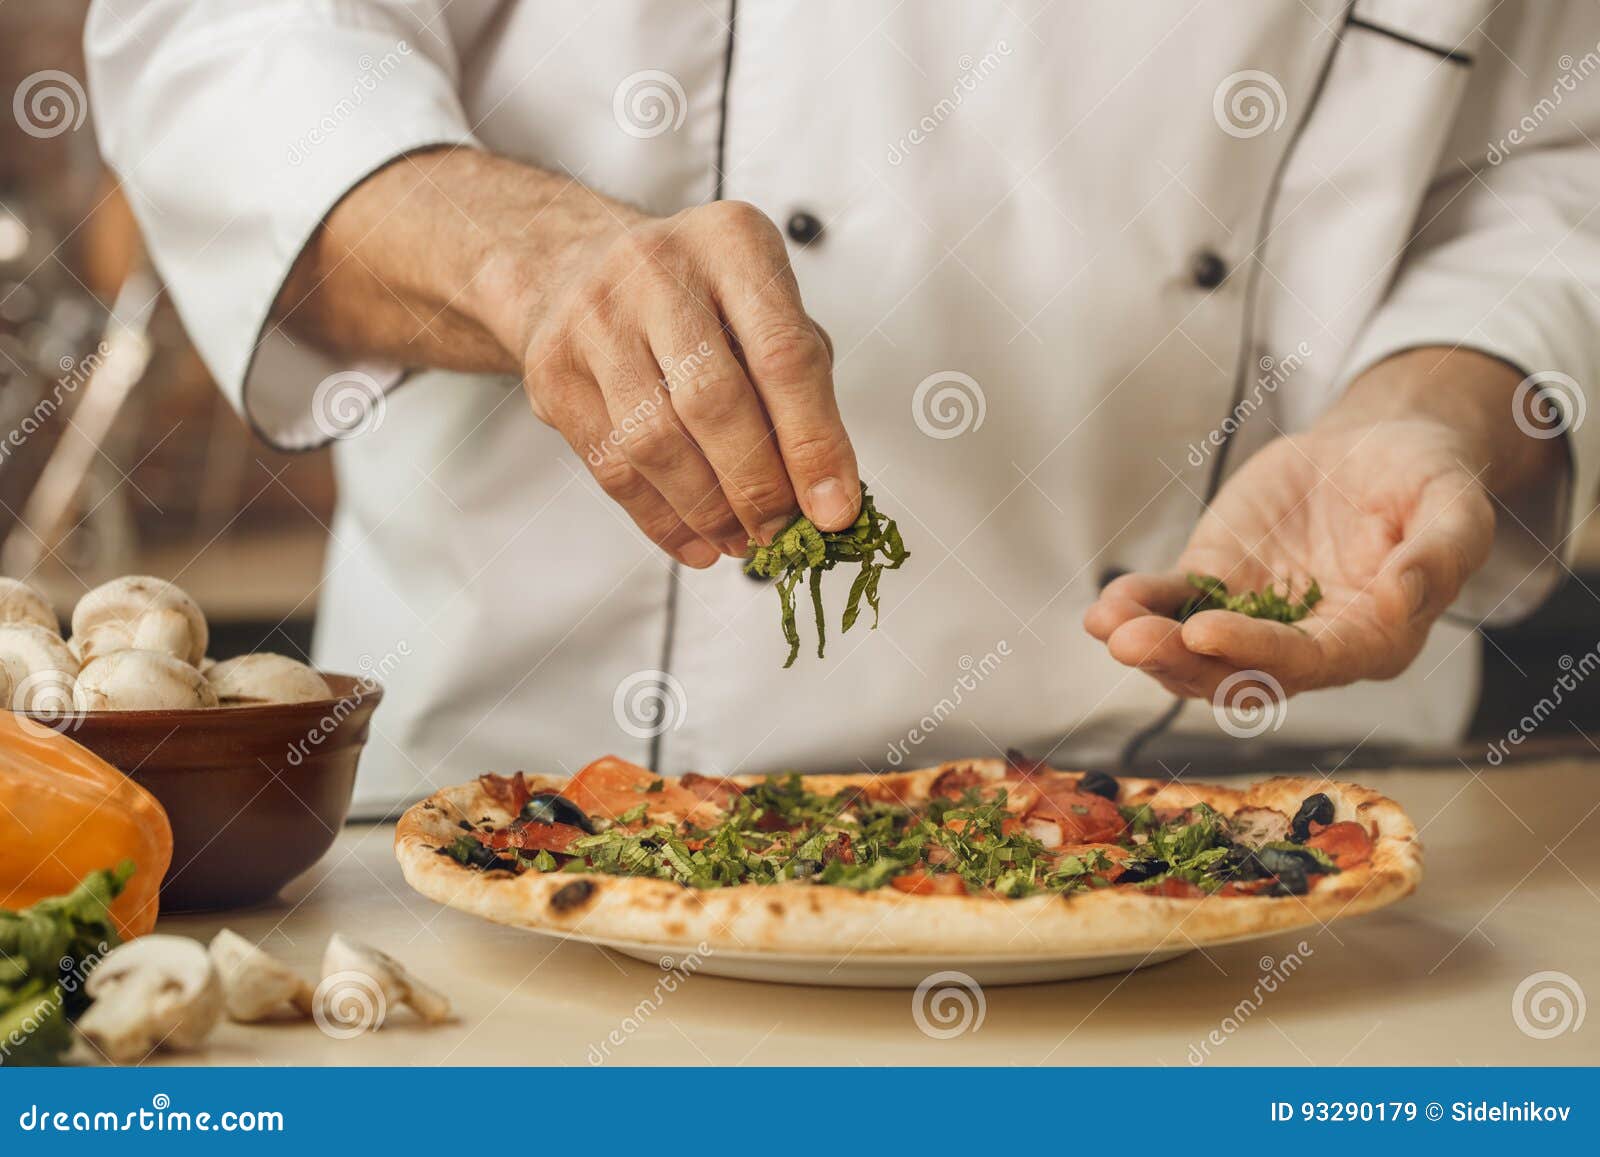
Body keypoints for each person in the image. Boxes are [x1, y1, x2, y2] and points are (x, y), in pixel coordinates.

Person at [86, 2, 1596, 814]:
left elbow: (1561, 153)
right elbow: (226, 41)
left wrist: (1438, 399)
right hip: (561, 791)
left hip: (1282, 802)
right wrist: (529, 266)